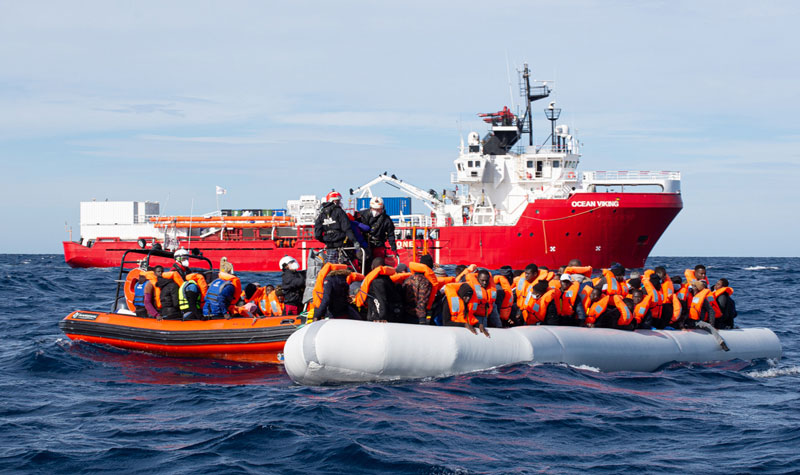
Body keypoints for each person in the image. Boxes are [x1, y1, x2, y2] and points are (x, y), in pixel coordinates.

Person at [314, 190, 359, 263]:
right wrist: (355, 241)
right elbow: (347, 228)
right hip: (342, 245)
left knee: (330, 264)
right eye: (338, 201)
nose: (339, 203)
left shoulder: (321, 215)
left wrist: (325, 240)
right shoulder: (339, 212)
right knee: (346, 263)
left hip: (329, 245)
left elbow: (317, 234)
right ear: (334, 201)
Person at [359, 196, 398, 266]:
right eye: (374, 209)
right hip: (364, 244)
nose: (376, 211)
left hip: (379, 245)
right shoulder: (362, 215)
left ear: (382, 208)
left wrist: (394, 249)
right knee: (363, 263)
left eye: (378, 209)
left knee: (378, 263)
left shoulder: (386, 220)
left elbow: (391, 235)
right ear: (370, 208)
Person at [402, 254, 435, 324]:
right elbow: (422, 301)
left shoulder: (408, 279)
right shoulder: (425, 282)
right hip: (417, 317)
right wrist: (422, 319)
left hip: (405, 314)